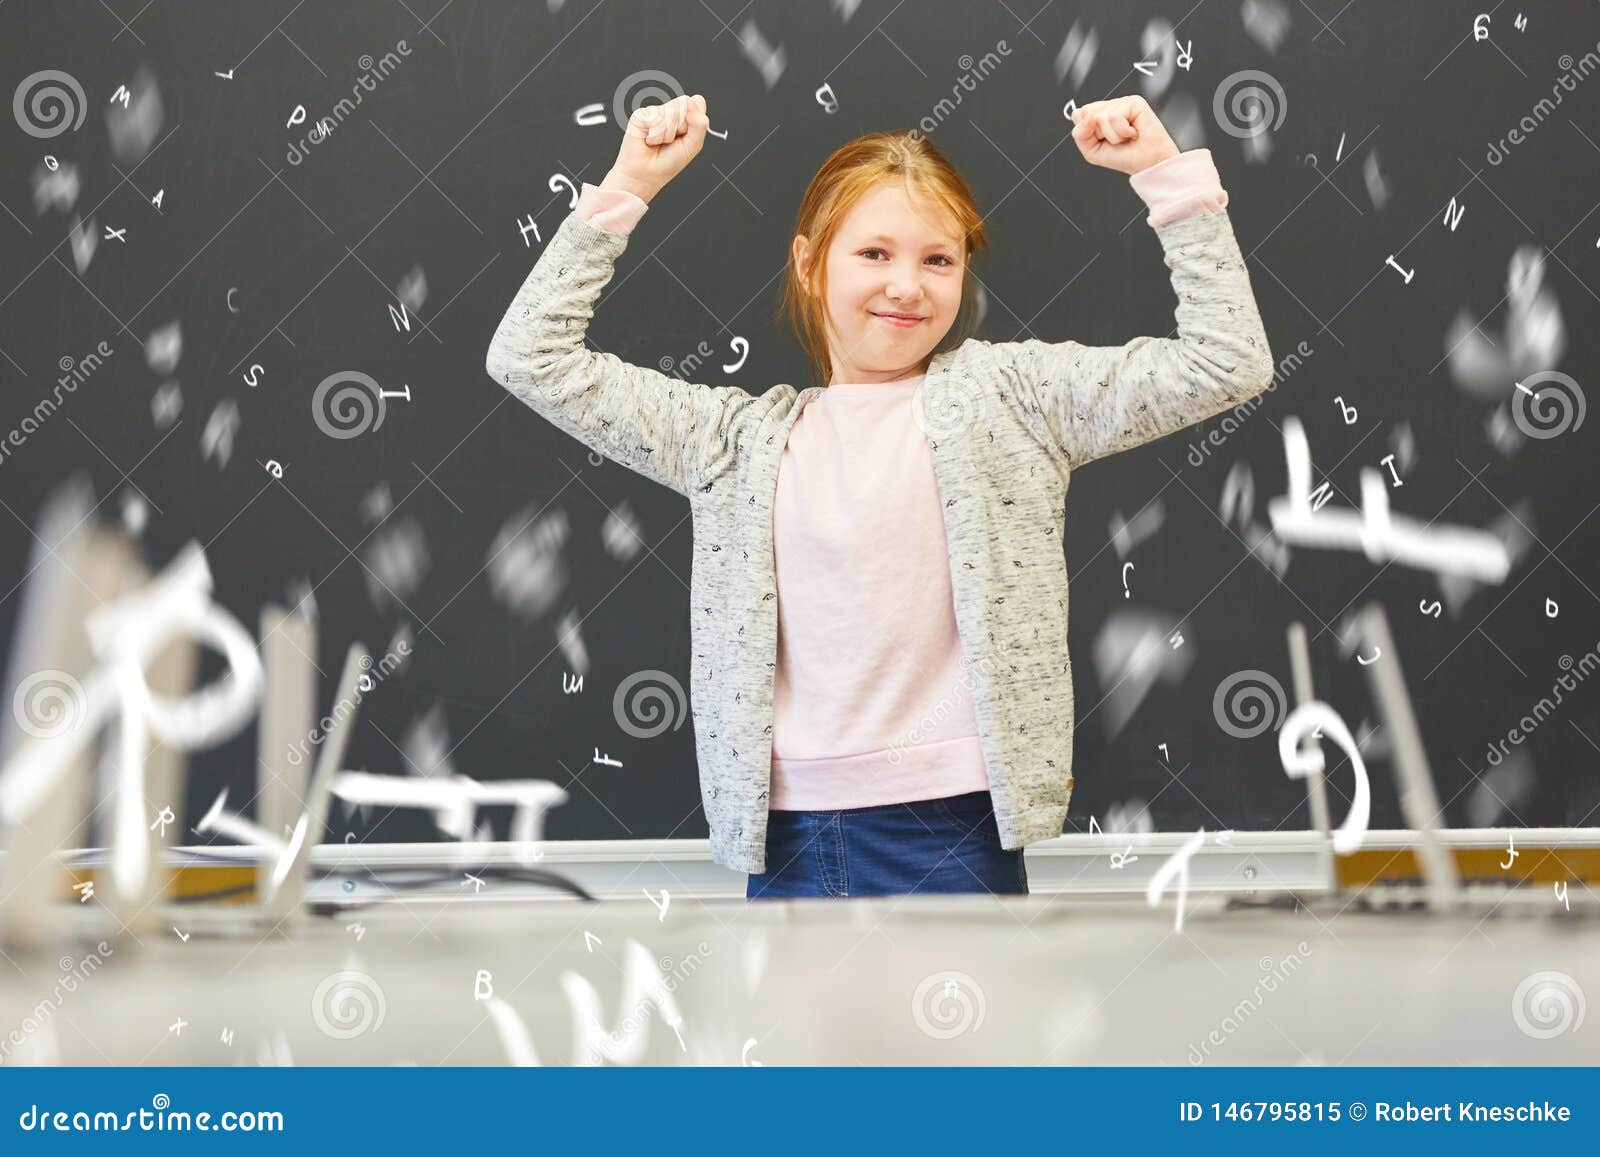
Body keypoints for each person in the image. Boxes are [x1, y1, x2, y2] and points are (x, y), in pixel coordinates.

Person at [485, 93, 1274, 901]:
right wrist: (628, 185)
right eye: (873, 254)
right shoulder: (734, 440)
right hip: (784, 840)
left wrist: (1164, 174)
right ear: (808, 263)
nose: (908, 286)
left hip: (954, 832)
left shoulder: (1010, 400)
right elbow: (528, 358)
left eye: (939, 260)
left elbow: (1228, 362)